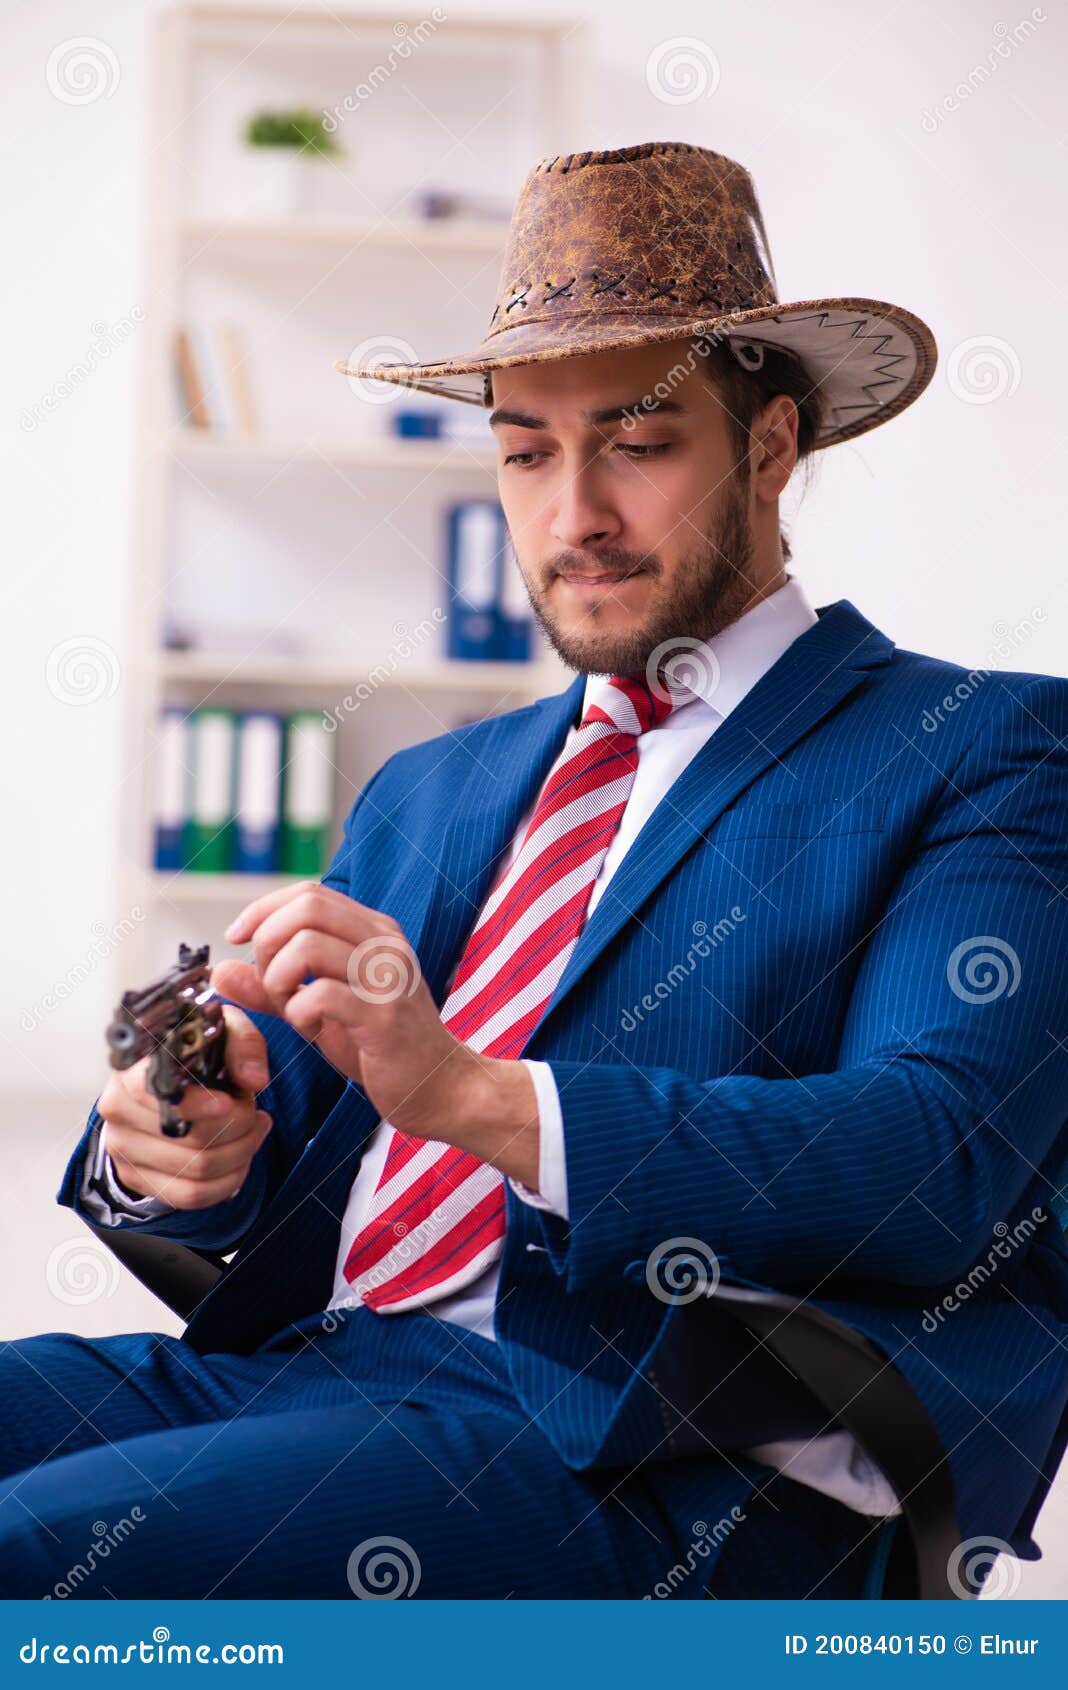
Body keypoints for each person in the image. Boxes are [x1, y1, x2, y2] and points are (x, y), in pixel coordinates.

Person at [4, 141, 1067, 1600]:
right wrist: (172, 1145)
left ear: (768, 446)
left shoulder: (977, 746)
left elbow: (934, 1157)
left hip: (643, 1460)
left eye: (637, 441)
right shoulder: (432, 789)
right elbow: (286, 1152)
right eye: (525, 450)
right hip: (303, 1379)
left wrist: (474, 1094)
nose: (573, 515)